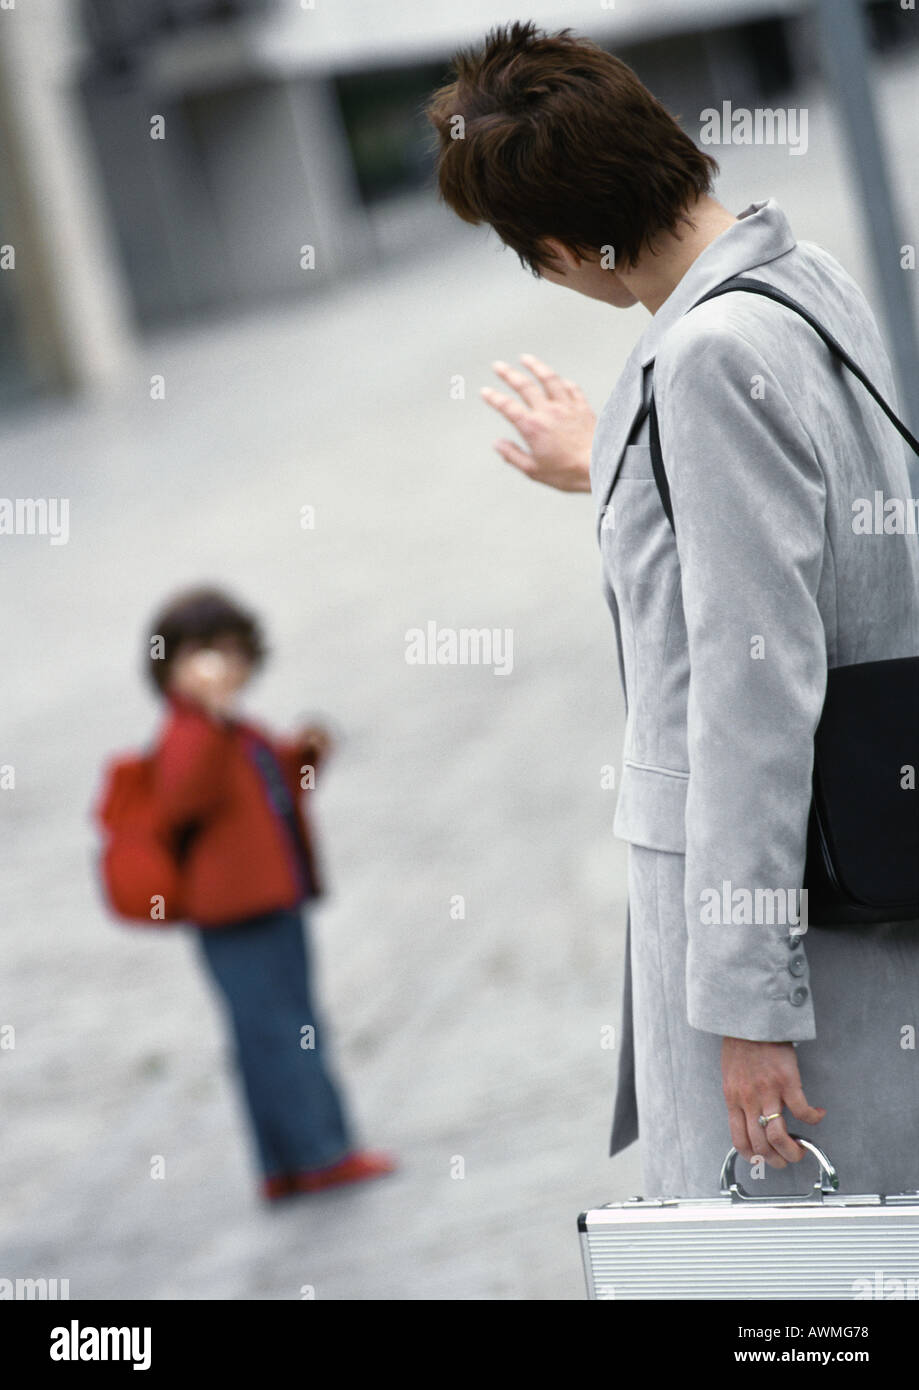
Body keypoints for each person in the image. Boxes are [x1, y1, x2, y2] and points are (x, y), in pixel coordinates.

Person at [426, 22, 919, 1199]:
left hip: (798, 929)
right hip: (859, 872)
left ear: (558, 246)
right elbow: (790, 533)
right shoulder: (798, 280)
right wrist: (608, 461)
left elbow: (753, 686)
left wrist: (747, 1008)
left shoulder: (703, 356)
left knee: (786, 1284)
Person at [146, 586, 396, 1202]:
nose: (222, 671)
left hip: (270, 903)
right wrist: (209, 714)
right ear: (170, 667)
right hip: (236, 914)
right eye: (204, 658)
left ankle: (282, 1163)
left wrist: (307, 757)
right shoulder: (189, 732)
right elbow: (182, 798)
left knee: (274, 1029)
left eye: (232, 656)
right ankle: (321, 1152)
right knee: (282, 1030)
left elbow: (280, 794)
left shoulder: (233, 728)